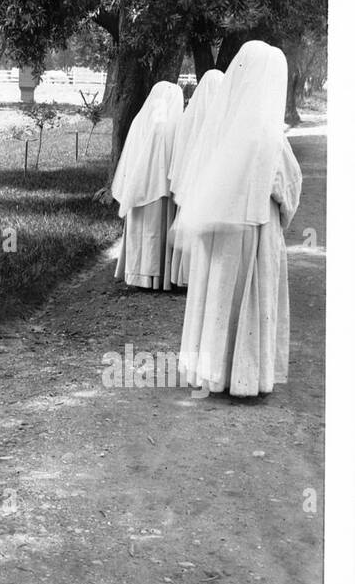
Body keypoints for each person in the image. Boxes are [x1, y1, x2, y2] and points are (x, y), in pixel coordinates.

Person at [177, 41, 302, 398]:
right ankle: (245, 374)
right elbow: (286, 187)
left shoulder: (219, 130)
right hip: (255, 233)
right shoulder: (270, 137)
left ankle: (211, 369)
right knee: (249, 301)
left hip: (218, 231)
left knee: (216, 295)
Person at [111, 81, 185, 290]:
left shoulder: (140, 121)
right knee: (155, 233)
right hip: (160, 190)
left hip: (138, 187)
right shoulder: (171, 128)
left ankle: (136, 273)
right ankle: (156, 276)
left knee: (139, 231)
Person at [167, 69, 225, 286]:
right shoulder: (223, 118)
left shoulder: (188, 117)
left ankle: (185, 274)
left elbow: (180, 150)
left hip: (191, 180)